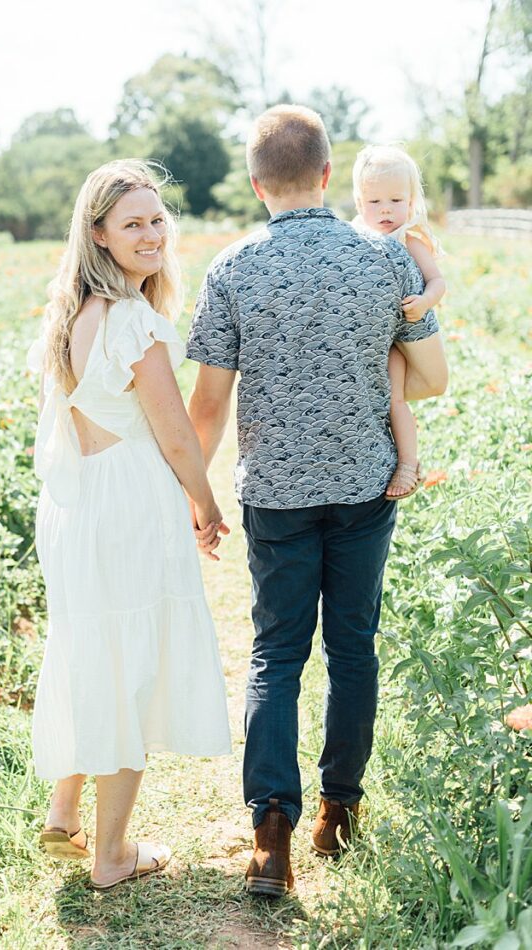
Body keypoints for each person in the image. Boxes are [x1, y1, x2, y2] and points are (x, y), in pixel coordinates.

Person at [185, 105, 448, 897]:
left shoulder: (231, 267)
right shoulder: (386, 259)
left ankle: (271, 837)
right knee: (354, 648)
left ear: (256, 181)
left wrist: (194, 499)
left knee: (276, 654)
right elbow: (434, 377)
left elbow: (205, 407)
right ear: (331, 175)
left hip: (276, 494)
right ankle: (340, 810)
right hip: (366, 483)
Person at [27, 159, 233, 891]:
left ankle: (65, 809)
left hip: (78, 503)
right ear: (99, 234)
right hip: (124, 502)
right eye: (133, 224)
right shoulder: (131, 319)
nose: (151, 234)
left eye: (156, 219)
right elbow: (175, 432)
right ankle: (113, 855)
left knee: (94, 642)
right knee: (132, 663)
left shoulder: (72, 315)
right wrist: (204, 504)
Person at [351, 144, 448, 499]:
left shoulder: (409, 237)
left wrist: (423, 302)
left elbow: (438, 281)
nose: (386, 210)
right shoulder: (355, 235)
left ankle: (408, 464)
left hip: (403, 337)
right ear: (360, 203)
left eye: (396, 200)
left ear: (411, 201)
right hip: (369, 333)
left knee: (394, 399)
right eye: (375, 202)